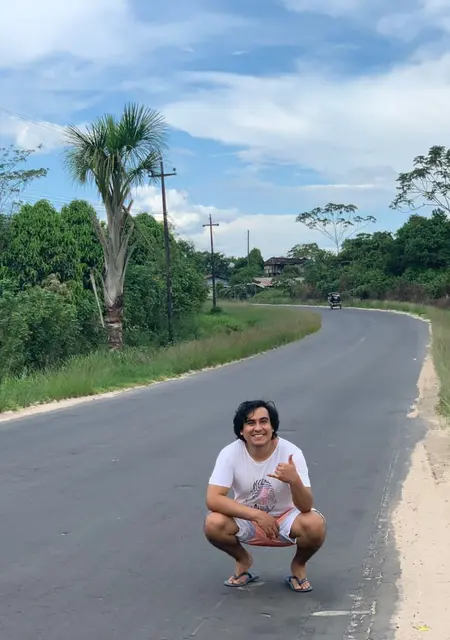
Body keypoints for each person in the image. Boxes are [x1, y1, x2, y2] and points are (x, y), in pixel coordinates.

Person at [204, 400, 326, 593]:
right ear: (241, 430)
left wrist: (294, 480)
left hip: (286, 520)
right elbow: (213, 499)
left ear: (272, 426)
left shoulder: (291, 453)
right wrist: (257, 515)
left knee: (314, 524)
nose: (258, 428)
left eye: (264, 421)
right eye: (250, 423)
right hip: (248, 519)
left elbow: (305, 506)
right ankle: (243, 560)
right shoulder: (230, 453)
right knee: (213, 523)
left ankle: (298, 566)